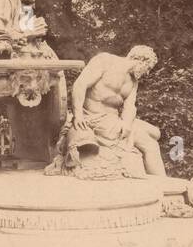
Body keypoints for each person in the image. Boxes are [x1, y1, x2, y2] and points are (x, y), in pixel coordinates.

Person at [68, 46, 165, 178]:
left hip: (114, 121)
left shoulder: (133, 82)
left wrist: (126, 124)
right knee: (150, 144)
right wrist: (78, 115)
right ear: (140, 60)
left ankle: (159, 181)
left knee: (156, 132)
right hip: (95, 118)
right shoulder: (105, 61)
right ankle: (161, 185)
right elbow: (80, 85)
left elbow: (130, 107)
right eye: (148, 68)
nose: (147, 73)